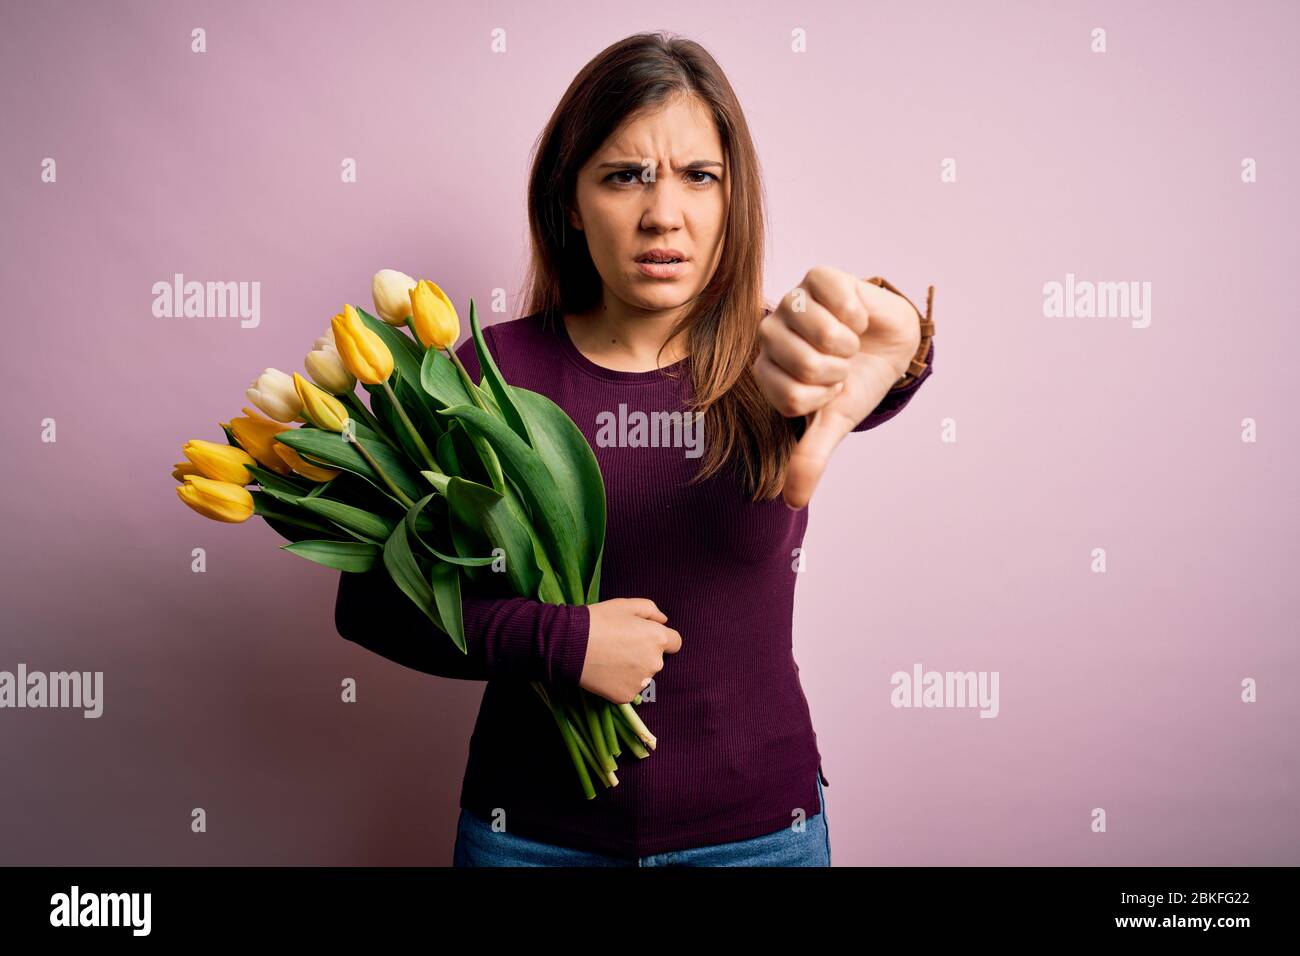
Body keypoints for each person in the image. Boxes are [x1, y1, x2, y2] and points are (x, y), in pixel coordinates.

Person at [334, 31, 935, 867]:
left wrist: (903, 325)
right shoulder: (482, 377)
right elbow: (368, 605)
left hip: (759, 838)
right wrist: (562, 642)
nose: (664, 213)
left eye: (700, 176)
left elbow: (878, 365)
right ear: (570, 202)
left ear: (734, 200)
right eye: (625, 175)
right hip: (532, 842)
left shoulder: (782, 360)